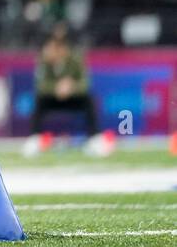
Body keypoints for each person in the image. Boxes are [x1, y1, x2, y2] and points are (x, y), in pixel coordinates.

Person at [24, 29, 112, 157]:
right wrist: (56, 87)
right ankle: (34, 139)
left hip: (73, 98)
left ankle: (94, 138)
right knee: (39, 101)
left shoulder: (75, 59)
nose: (56, 50)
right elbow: (40, 85)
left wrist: (71, 86)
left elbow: (85, 82)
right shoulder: (44, 60)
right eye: (54, 45)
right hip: (52, 98)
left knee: (89, 100)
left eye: (60, 46)